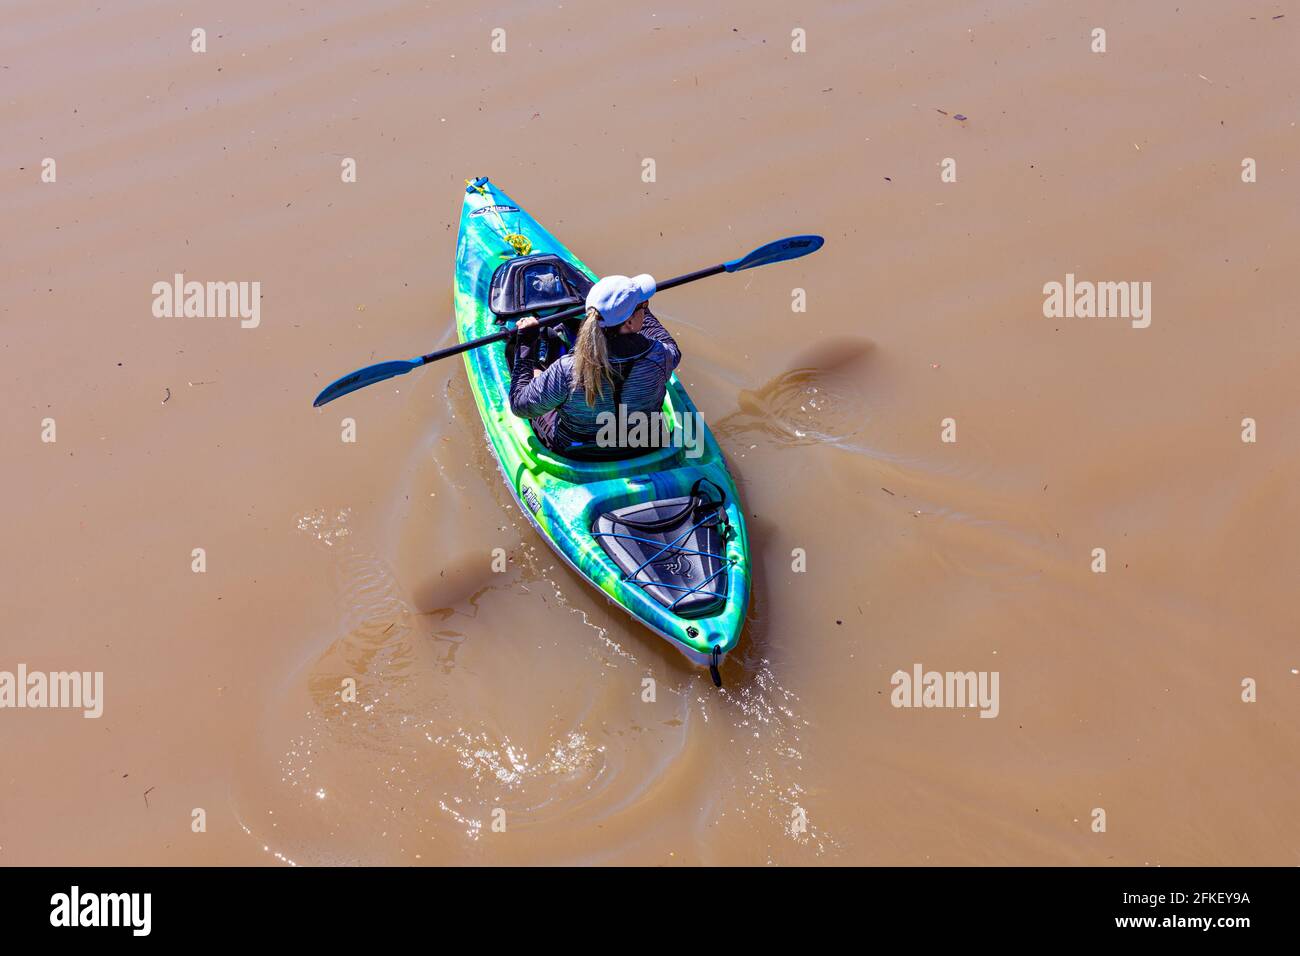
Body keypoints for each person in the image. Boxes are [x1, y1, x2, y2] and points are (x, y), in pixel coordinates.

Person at [509, 273, 681, 456]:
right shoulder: (661, 355)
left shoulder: (567, 368)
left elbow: (520, 405)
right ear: (629, 322)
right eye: (643, 307)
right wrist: (635, 307)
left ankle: (536, 364)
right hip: (644, 444)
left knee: (532, 366)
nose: (645, 310)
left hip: (580, 452)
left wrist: (525, 344)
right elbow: (667, 342)